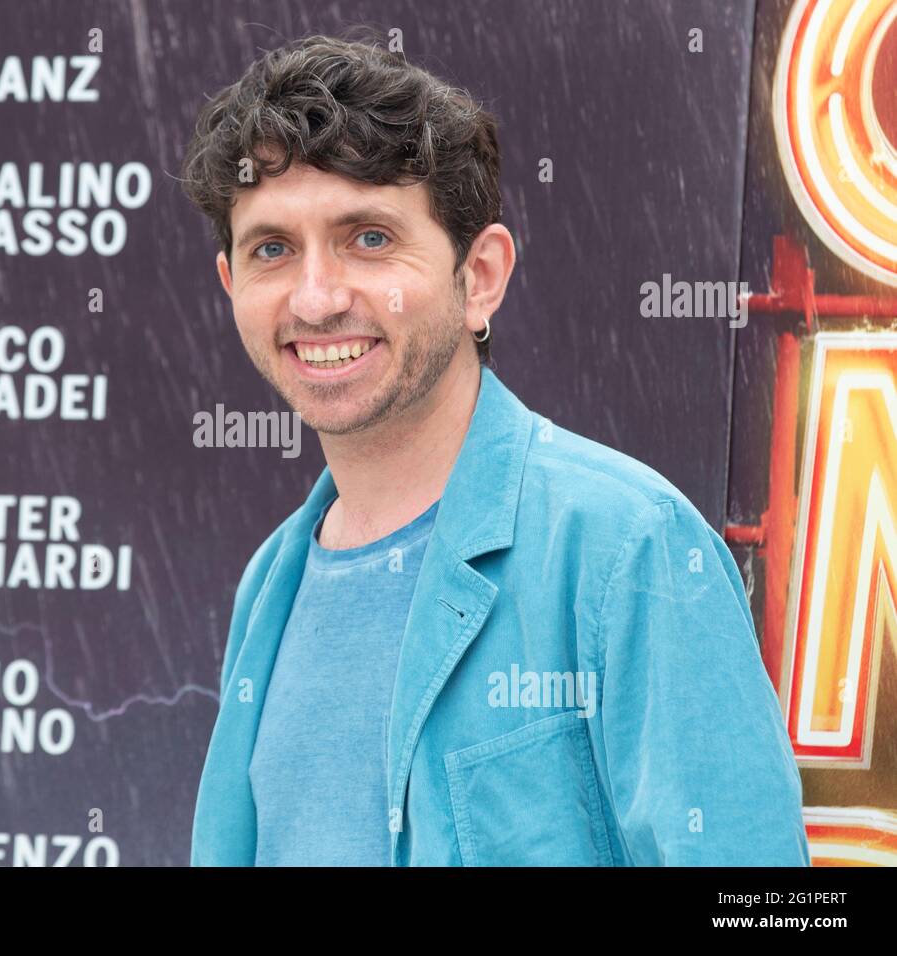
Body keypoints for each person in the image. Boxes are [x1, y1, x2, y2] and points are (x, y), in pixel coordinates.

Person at [179, 33, 810, 866]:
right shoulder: (272, 585)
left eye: (368, 238)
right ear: (233, 287)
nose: (318, 296)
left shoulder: (629, 547)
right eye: (272, 249)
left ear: (480, 277)